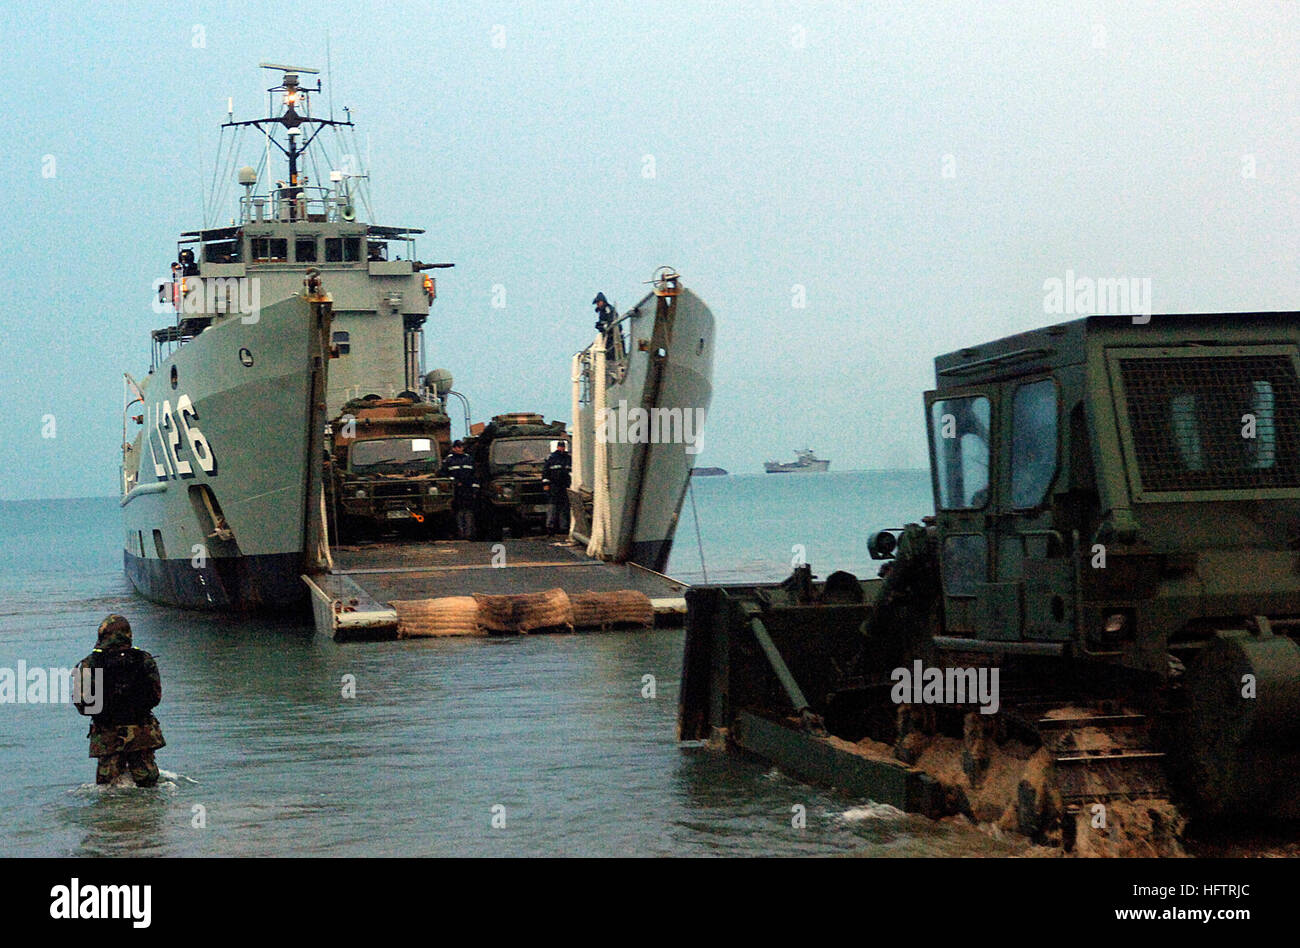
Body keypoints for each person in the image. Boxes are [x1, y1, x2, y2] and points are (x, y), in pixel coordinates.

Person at [73, 615, 165, 787]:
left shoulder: (88, 664)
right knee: (148, 785)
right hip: (142, 735)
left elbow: (83, 706)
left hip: (107, 737)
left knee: (109, 790)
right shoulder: (144, 659)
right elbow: (155, 697)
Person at [440, 440, 479, 539]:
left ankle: (469, 534)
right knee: (458, 512)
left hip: (468, 490)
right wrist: (455, 482)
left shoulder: (469, 459)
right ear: (453, 448)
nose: (458, 449)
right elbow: (444, 475)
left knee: (469, 511)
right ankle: (460, 533)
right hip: (455, 491)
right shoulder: (448, 460)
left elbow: (475, 475)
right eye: (456, 447)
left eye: (460, 446)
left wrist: (475, 489)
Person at [542, 441, 572, 535]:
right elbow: (545, 472)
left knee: (564, 507)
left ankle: (564, 527)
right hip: (554, 486)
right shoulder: (551, 458)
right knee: (552, 507)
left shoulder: (568, 458)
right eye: (560, 447)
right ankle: (550, 527)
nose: (562, 448)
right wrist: (546, 485)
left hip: (565, 486)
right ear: (557, 447)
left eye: (563, 447)